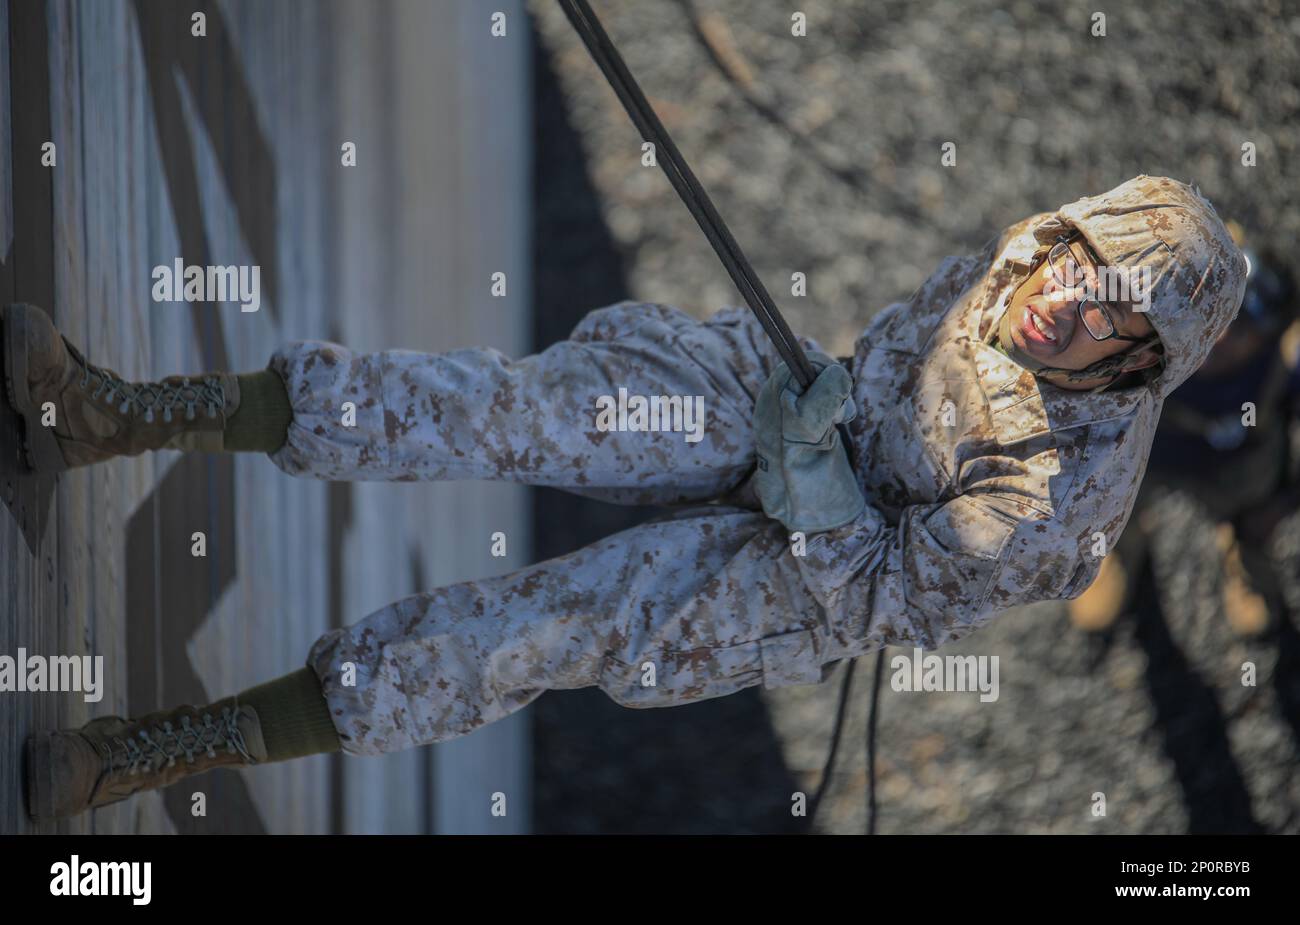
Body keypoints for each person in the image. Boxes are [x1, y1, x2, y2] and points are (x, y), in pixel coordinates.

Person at [8, 175, 1245, 821]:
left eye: (1110, 310)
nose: (1066, 296)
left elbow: (882, 597)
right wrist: (808, 416)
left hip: (814, 582)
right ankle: (113, 415)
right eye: (1084, 256)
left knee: (525, 635)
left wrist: (820, 497)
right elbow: (897, 348)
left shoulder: (1054, 510)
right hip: (788, 398)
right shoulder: (1027, 260)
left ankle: (150, 755)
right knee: (509, 406)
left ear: (1138, 362)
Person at [1068, 228, 1299, 635]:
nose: (1220, 335)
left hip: (1235, 465)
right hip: (1147, 452)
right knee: (1115, 501)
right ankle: (1120, 546)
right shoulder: (1147, 333)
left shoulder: (1285, 366)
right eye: (1215, 311)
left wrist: (1284, 500)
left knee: (1251, 508)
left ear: (1268, 337)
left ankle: (1244, 551)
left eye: (1241, 326)